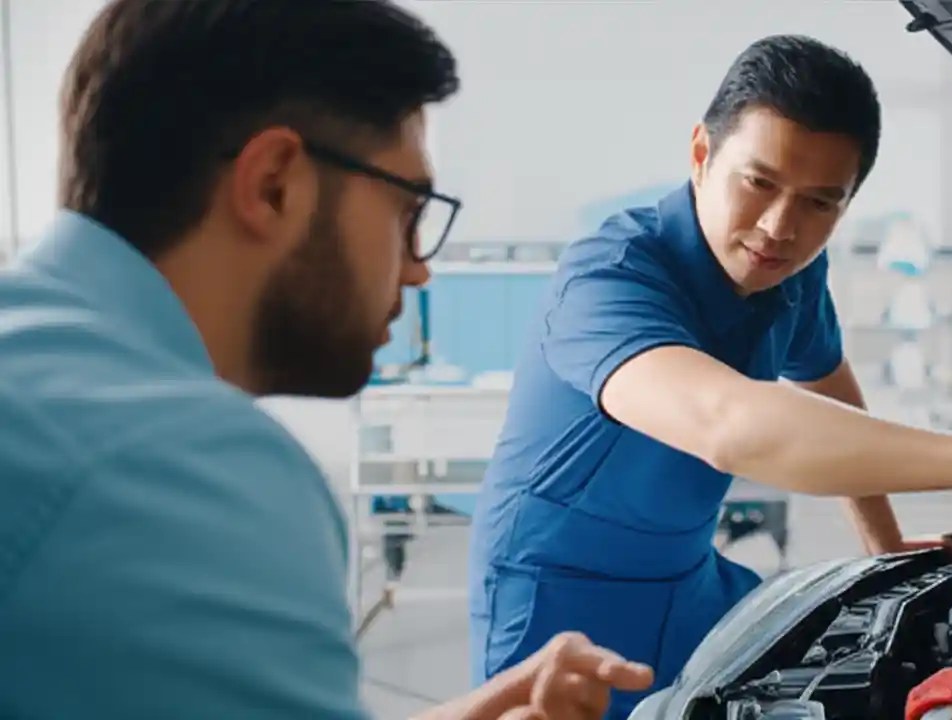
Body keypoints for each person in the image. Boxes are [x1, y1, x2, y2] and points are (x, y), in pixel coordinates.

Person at [467, 34, 952, 718]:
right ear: (700, 152)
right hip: (555, 594)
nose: (779, 227)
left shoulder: (794, 273)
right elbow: (728, 426)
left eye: (821, 202)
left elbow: (832, 388)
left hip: (691, 577)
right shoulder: (609, 280)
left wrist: (882, 545)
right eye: (758, 182)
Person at [0, 1, 651, 719]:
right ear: (275, 183)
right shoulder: (178, 463)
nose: (417, 271)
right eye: (409, 211)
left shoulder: (39, 365)